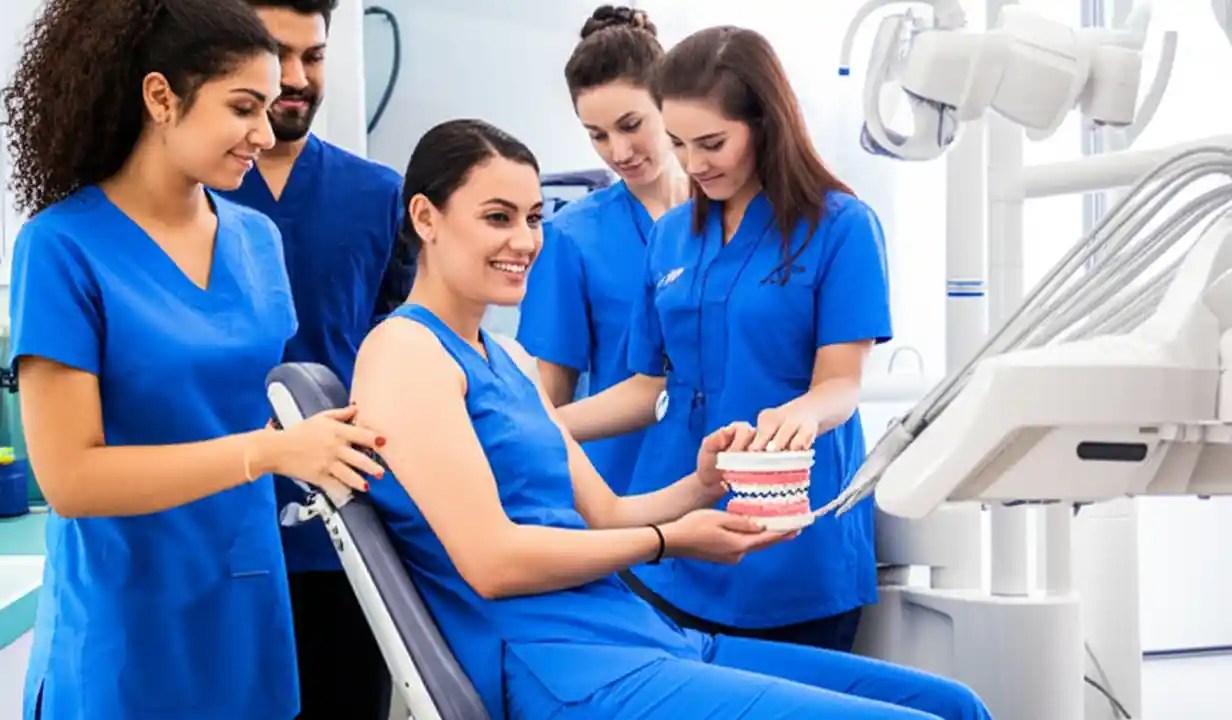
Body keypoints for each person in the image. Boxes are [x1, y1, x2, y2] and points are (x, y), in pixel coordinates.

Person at [350, 117, 990, 719]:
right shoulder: (405, 353)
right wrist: (672, 541)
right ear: (425, 217)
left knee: (957, 705)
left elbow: (608, 513)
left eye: (534, 217)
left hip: (636, 634)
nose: (525, 240)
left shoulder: (508, 360)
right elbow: (494, 563)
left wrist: (704, 484)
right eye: (497, 218)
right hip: (558, 662)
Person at [1, 1, 384, 717]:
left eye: (269, 109)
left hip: (246, 596)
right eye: (243, 107)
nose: (264, 135)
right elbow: (71, 480)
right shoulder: (61, 248)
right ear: (160, 97)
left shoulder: (255, 239)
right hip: (127, 617)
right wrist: (268, 455)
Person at [557, 25, 891, 653]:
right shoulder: (673, 235)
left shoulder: (841, 227)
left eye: (712, 143)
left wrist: (797, 415)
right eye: (679, 143)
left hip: (790, 533)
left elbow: (841, 385)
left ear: (766, 123)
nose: (692, 164)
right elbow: (646, 389)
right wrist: (541, 425)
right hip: (675, 532)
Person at [217, 2, 406, 715]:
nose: (295, 79)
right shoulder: (187, 192)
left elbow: (401, 354)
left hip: (344, 534)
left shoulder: (378, 195)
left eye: (314, 57)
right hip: (218, 529)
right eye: (276, 54)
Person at [515, 5, 687, 493]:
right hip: (621, 490)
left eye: (631, 125)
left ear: (669, 103)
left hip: (727, 478)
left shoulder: (730, 215)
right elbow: (548, 403)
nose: (618, 151)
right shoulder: (572, 237)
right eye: (598, 135)